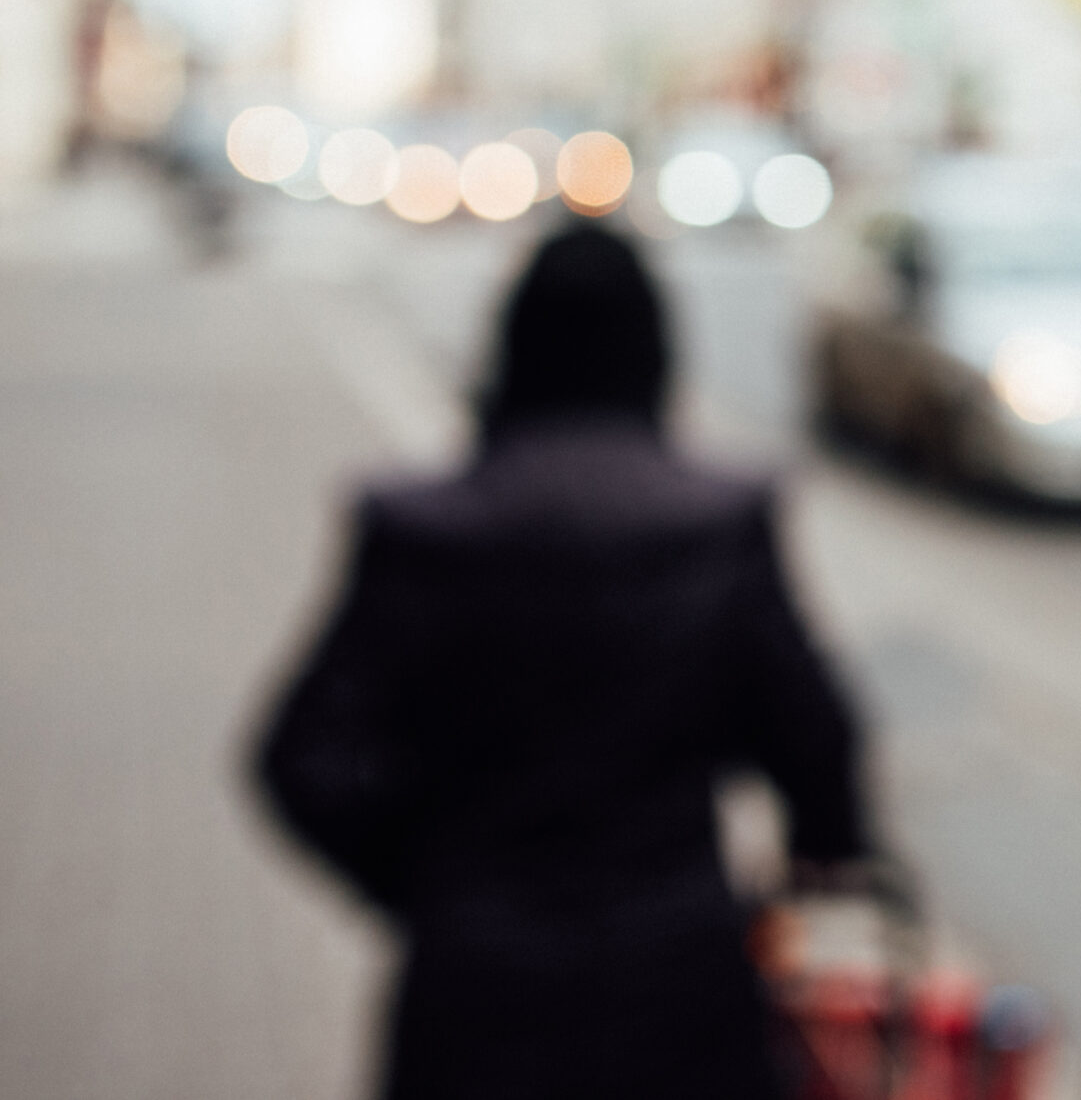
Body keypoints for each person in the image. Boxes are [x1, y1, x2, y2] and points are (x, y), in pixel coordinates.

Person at [256, 222, 878, 1100]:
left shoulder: (422, 533)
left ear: (510, 349)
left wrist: (424, 882)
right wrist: (814, 857)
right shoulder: (720, 528)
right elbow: (820, 745)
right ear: (657, 352)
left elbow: (296, 758)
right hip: (678, 984)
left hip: (476, 990)